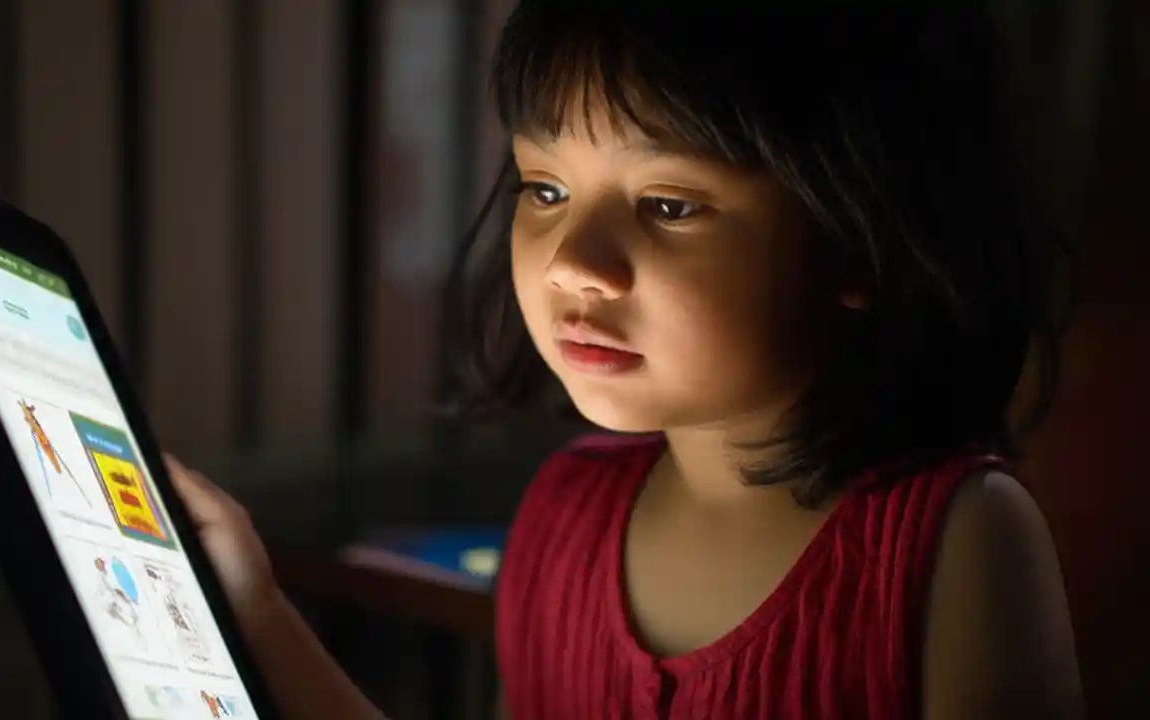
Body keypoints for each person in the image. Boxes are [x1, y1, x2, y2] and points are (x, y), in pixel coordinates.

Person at [166, 1, 1086, 717]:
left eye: (669, 205)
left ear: (857, 239)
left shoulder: (958, 545)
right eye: (548, 188)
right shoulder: (564, 517)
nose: (573, 261)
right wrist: (255, 610)